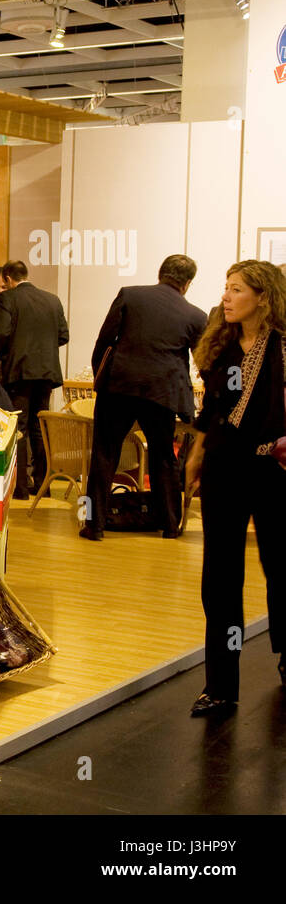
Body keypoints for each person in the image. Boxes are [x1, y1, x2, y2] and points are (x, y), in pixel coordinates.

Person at [186, 260, 286, 718]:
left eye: (237, 290)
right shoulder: (222, 343)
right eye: (225, 289)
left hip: (273, 469)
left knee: (280, 567)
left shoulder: (282, 348)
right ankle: (221, 684)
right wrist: (195, 455)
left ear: (262, 297)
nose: (226, 297)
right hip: (225, 468)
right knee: (220, 576)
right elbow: (211, 410)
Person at [80, 255, 208, 541]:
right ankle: (170, 525)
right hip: (162, 392)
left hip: (119, 386)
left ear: (160, 273)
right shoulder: (196, 315)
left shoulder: (130, 296)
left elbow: (104, 340)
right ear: (187, 284)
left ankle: (94, 524)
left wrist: (102, 378)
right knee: (163, 458)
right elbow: (203, 359)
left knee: (103, 454)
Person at [0, 260, 69, 499]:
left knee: (20, 427)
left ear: (8, 280)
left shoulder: (8, 299)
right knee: (39, 427)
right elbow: (64, 335)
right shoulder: (52, 300)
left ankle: (21, 487)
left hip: (19, 371)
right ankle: (43, 486)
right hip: (46, 372)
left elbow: (1, 334)